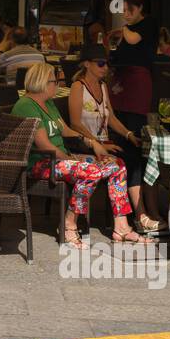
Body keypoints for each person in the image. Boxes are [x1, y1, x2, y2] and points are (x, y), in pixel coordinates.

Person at [13, 62, 143, 245]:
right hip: (40, 163)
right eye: (55, 82)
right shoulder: (26, 106)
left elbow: (65, 130)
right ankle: (69, 223)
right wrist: (70, 159)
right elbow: (44, 146)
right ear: (43, 82)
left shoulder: (48, 103)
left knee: (117, 166)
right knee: (90, 171)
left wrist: (92, 143)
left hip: (59, 159)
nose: (58, 85)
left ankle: (121, 227)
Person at [67, 44, 152, 227]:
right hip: (87, 143)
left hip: (106, 140)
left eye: (107, 64)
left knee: (136, 154)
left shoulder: (103, 86)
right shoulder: (77, 87)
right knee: (129, 160)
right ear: (87, 64)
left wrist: (129, 135)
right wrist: (97, 143)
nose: (105, 68)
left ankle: (140, 213)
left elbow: (110, 117)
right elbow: (75, 123)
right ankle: (139, 215)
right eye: (100, 64)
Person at [107, 0, 158, 151]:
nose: (127, 14)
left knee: (135, 124)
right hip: (120, 79)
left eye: (130, 10)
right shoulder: (127, 30)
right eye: (123, 11)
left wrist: (123, 29)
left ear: (140, 8)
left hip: (138, 81)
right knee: (117, 123)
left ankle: (136, 170)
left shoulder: (148, 23)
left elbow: (133, 39)